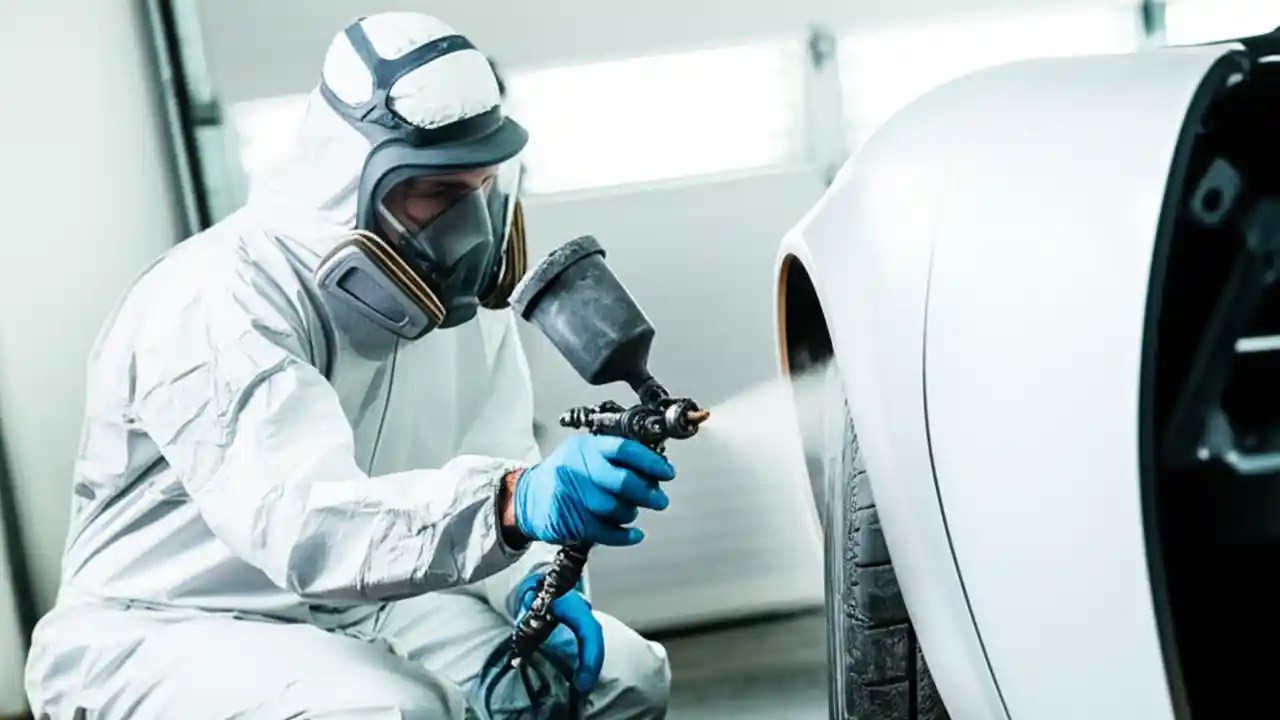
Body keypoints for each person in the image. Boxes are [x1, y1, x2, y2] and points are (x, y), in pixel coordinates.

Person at [24, 11, 674, 719]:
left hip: (370, 603)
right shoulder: (215, 303)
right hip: (170, 626)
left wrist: (534, 579)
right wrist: (516, 502)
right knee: (393, 712)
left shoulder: (451, 302)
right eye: (440, 194)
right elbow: (306, 527)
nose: (475, 229)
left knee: (619, 676)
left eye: (485, 186)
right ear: (354, 183)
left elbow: (496, 456)